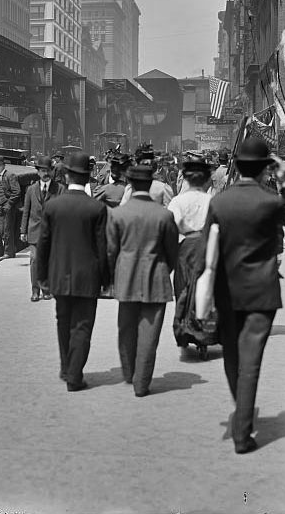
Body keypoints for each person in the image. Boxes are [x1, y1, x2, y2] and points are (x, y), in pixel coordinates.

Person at [198, 137, 285, 454]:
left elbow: (204, 252)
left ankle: (241, 411)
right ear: (263, 169)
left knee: (232, 356)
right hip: (262, 291)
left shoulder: (219, 202)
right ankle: (243, 433)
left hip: (226, 292)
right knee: (251, 362)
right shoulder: (271, 201)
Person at [36, 151, 109, 391]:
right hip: (87, 278)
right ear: (88, 178)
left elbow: (43, 244)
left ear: (66, 176)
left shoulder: (52, 206)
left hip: (58, 275)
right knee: (82, 326)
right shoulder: (96, 208)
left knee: (63, 322)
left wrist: (41, 277)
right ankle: (74, 376)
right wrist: (106, 278)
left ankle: (67, 367)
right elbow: (102, 248)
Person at [106, 159, 179, 397]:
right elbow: (172, 253)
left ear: (130, 183)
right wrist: (161, 269)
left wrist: (114, 274)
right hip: (156, 277)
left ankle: (129, 373)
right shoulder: (164, 215)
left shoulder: (117, 215)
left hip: (126, 277)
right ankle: (142, 383)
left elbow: (111, 251)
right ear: (150, 184)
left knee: (126, 328)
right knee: (150, 333)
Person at [168, 154, 213, 302]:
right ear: (207, 179)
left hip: (185, 249)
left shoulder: (177, 201)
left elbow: (172, 228)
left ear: (185, 179)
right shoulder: (213, 201)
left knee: (182, 291)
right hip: (208, 248)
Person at [20, 155, 62, 301]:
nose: (45, 173)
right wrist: (23, 230)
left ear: (51, 172)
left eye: (47, 170)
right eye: (42, 170)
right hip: (35, 231)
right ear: (37, 172)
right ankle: (35, 290)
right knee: (35, 259)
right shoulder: (31, 190)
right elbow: (26, 211)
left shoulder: (59, 189)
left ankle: (46, 290)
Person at [0, 155, 22, 260]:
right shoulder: (0, 177)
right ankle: (8, 251)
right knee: (2, 230)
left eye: (0, 165)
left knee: (7, 230)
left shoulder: (10, 176)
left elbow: (17, 191)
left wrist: (9, 204)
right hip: (2, 207)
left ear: (4, 165)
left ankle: (8, 252)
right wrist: (0, 206)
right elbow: (0, 193)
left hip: (9, 207)